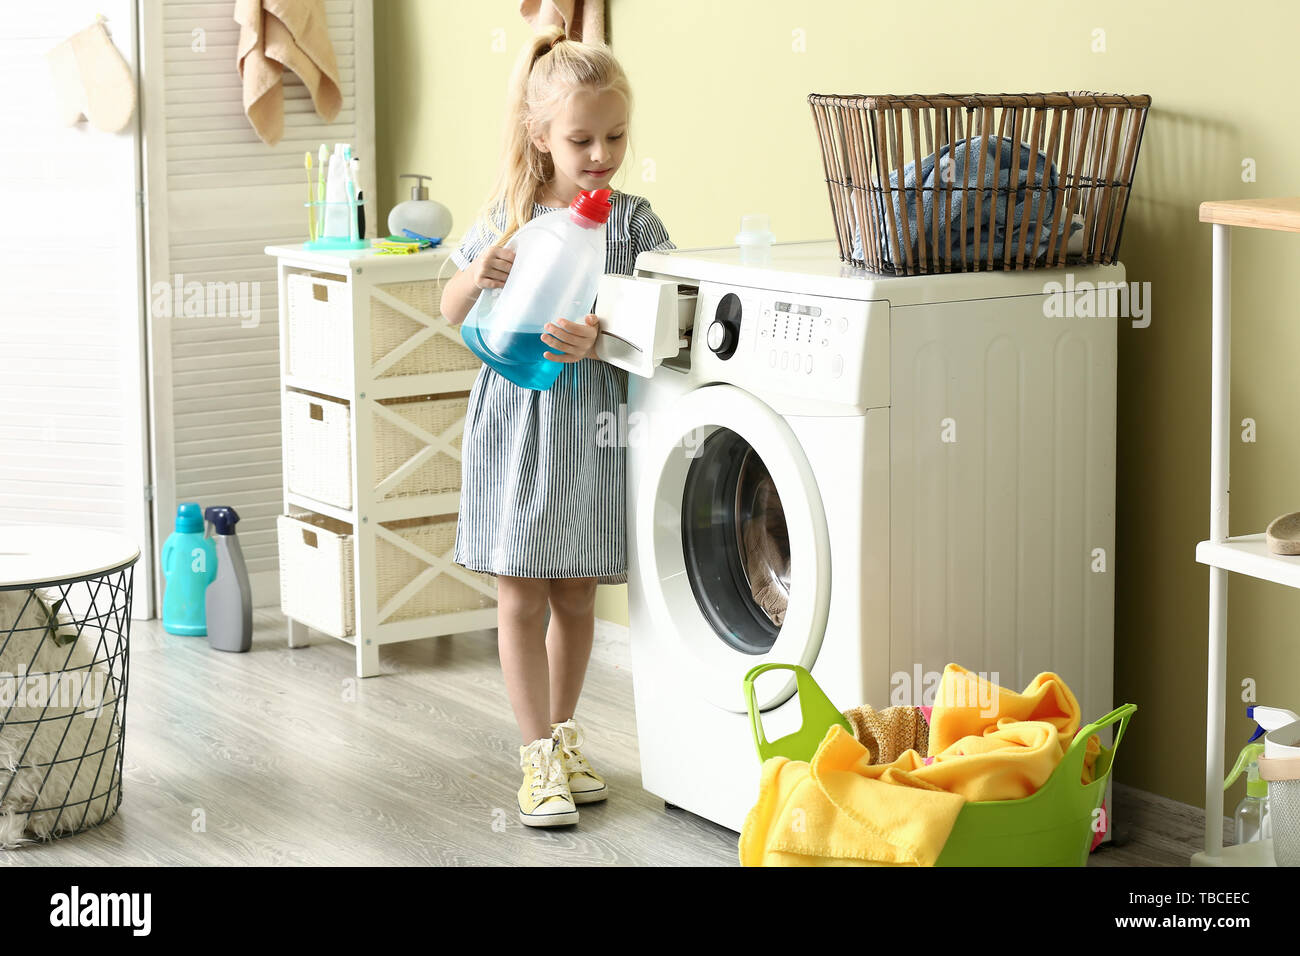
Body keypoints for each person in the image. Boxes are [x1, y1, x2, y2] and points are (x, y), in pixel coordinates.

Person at [439, 25, 674, 828]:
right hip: (517, 420)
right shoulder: (509, 212)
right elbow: (450, 307)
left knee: (576, 591)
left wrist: (601, 334)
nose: (601, 153)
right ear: (542, 137)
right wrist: (481, 271)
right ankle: (535, 754)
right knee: (520, 591)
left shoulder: (633, 222)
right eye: (581, 139)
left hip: (593, 425)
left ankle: (568, 736)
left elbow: (664, 314)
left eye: (614, 137)